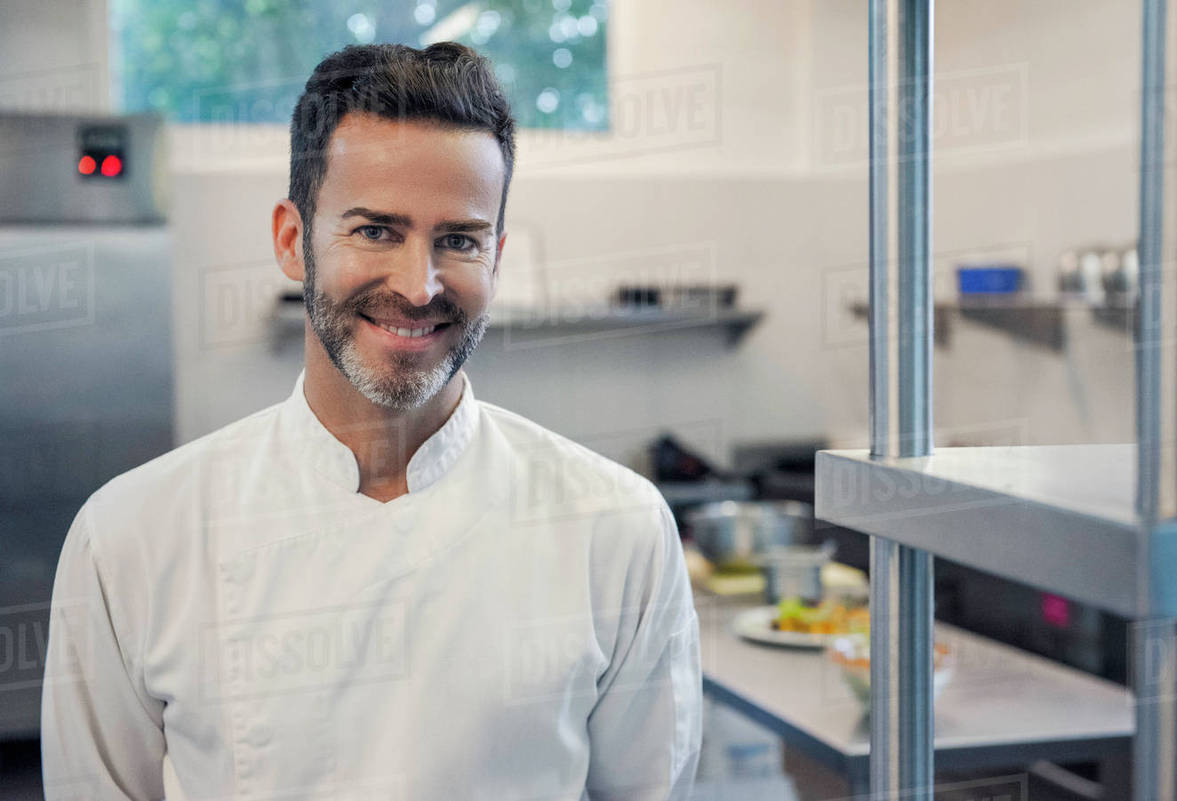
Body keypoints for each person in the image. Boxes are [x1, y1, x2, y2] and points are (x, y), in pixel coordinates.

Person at [41, 42, 702, 801]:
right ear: (294, 240)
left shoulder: (617, 530)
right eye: (376, 230)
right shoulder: (131, 536)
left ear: (496, 256)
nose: (419, 286)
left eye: (459, 240)